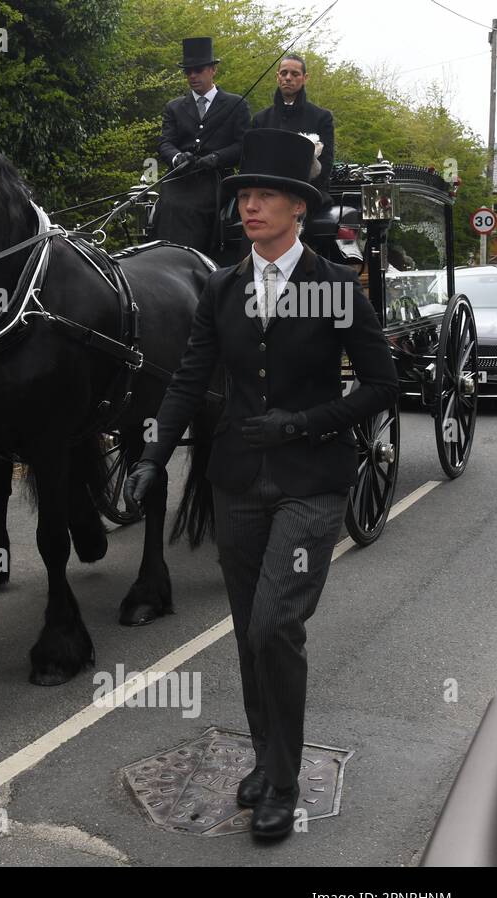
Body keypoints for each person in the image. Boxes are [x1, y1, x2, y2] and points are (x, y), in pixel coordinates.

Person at [123, 128, 399, 841]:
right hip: (238, 481)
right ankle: (268, 754)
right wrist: (152, 453)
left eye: (264, 195)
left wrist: (302, 422)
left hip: (312, 484)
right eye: (244, 195)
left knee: (277, 623)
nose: (249, 206)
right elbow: (188, 378)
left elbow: (381, 387)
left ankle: (281, 780)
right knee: (249, 632)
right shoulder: (222, 288)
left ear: (297, 209)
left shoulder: (336, 289)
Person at [154, 37, 251, 258]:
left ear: (213, 70)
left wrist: (217, 157)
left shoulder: (236, 104)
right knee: (167, 205)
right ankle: (165, 260)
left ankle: (195, 261)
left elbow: (243, 145)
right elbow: (165, 142)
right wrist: (178, 158)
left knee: (193, 209)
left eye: (197, 70)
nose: (192, 76)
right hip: (180, 178)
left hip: (215, 179)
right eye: (187, 72)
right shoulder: (175, 107)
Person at [251, 54, 334, 203]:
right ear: (277, 77)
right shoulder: (260, 119)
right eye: (284, 73)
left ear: (305, 78)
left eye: (295, 74)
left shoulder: (322, 117)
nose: (288, 78)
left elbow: (326, 164)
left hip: (308, 195)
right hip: (266, 196)